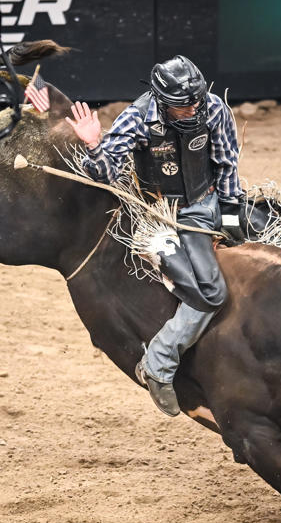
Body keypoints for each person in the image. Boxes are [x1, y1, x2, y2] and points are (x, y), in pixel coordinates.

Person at [66, 55, 243, 417]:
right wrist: (94, 144)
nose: (193, 108)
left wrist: (229, 220)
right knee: (210, 291)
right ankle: (159, 363)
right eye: (184, 105)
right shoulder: (136, 117)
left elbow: (226, 166)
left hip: (207, 202)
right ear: (162, 101)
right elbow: (104, 172)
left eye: (196, 99)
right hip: (164, 215)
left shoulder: (214, 110)